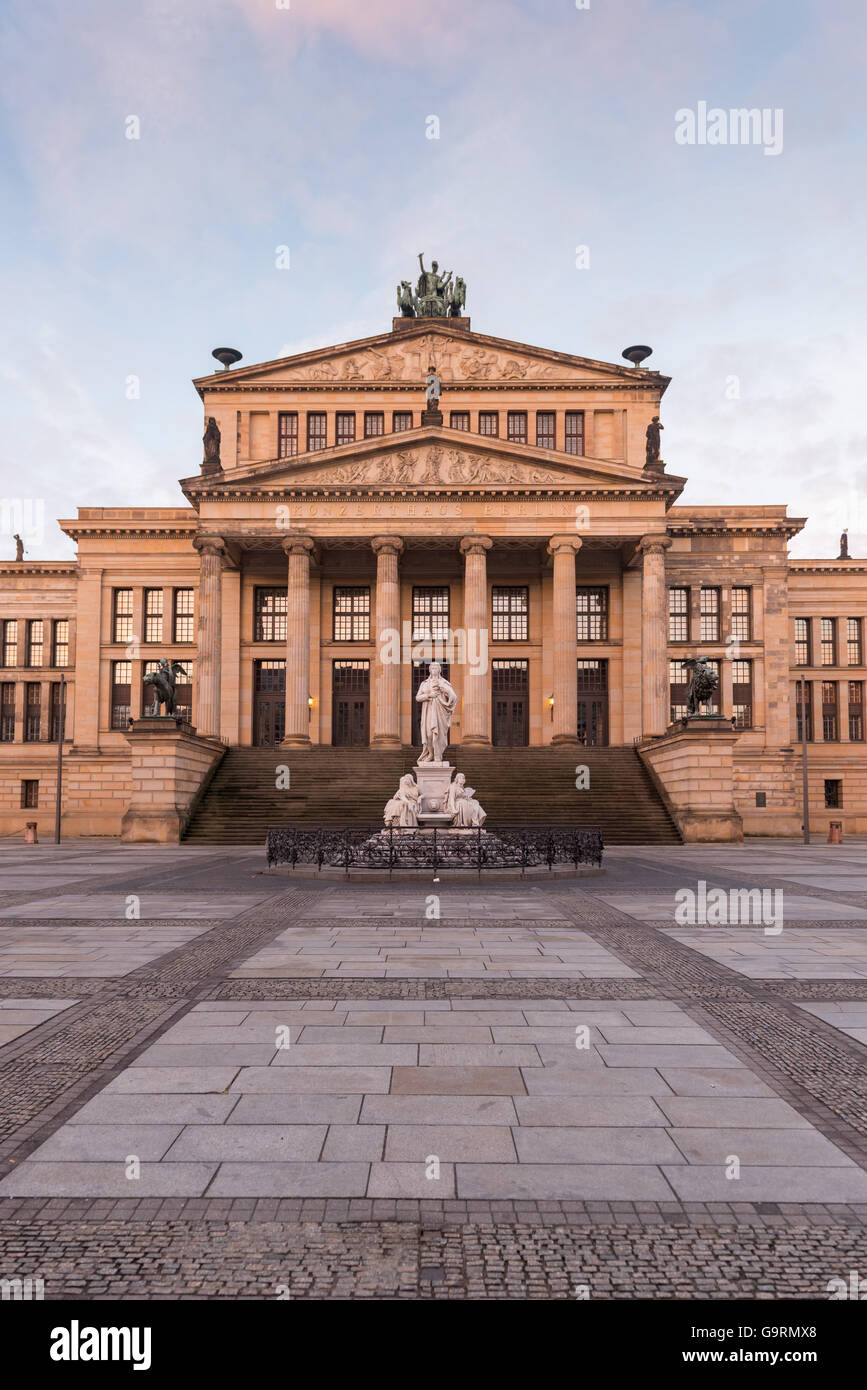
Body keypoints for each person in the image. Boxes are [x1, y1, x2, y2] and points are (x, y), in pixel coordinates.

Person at [416, 661, 457, 763]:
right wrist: (429, 695)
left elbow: (454, 697)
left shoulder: (444, 683)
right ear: (429, 670)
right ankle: (430, 754)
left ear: (439, 670)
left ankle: (438, 755)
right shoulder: (424, 683)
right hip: (429, 711)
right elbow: (418, 697)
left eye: (436, 668)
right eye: (432, 668)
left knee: (438, 735)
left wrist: (443, 690)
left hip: (440, 712)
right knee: (429, 734)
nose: (434, 669)